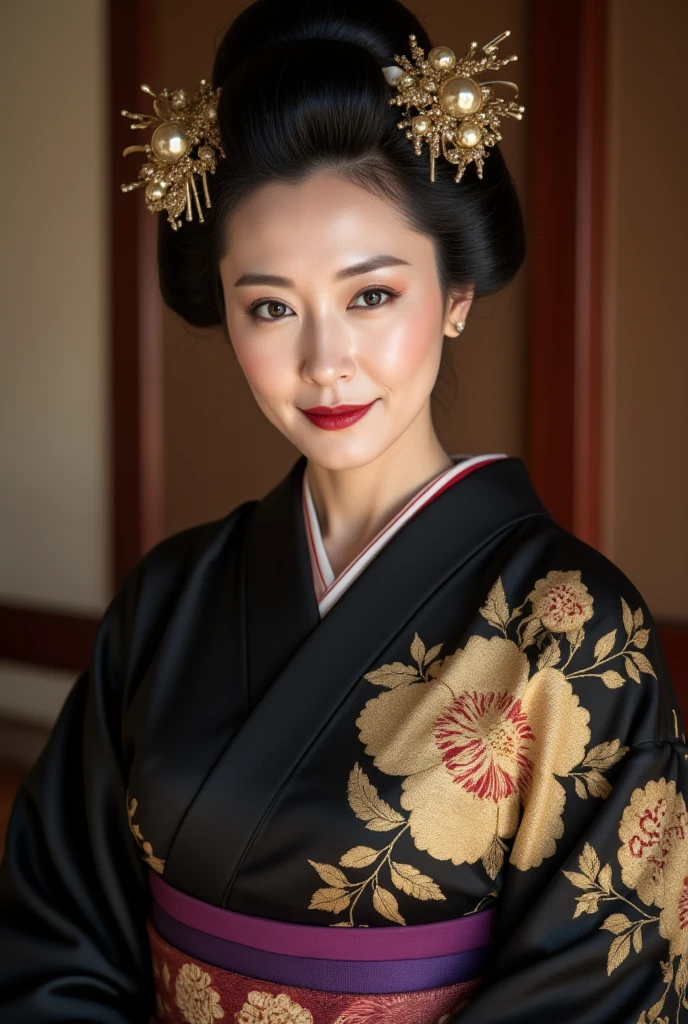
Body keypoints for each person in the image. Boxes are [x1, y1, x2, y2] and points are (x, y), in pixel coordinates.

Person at [1, 1, 686, 1021]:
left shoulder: (576, 629)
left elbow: (598, 989)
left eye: (371, 295)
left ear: (456, 292)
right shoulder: (170, 599)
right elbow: (55, 931)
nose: (324, 362)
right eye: (270, 306)